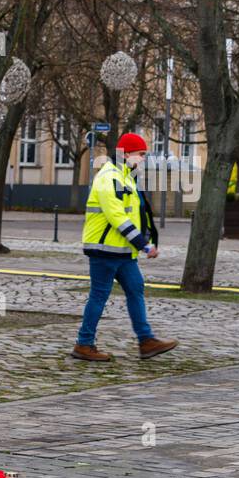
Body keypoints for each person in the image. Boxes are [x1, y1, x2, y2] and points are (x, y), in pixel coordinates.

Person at [72, 132, 178, 362]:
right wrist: (143, 245)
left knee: (136, 289)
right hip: (104, 249)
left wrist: (147, 239)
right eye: (140, 154)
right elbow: (117, 216)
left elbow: (137, 213)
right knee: (99, 295)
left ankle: (146, 341)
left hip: (121, 251)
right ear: (127, 153)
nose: (142, 159)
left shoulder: (125, 177)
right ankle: (84, 344)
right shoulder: (110, 177)